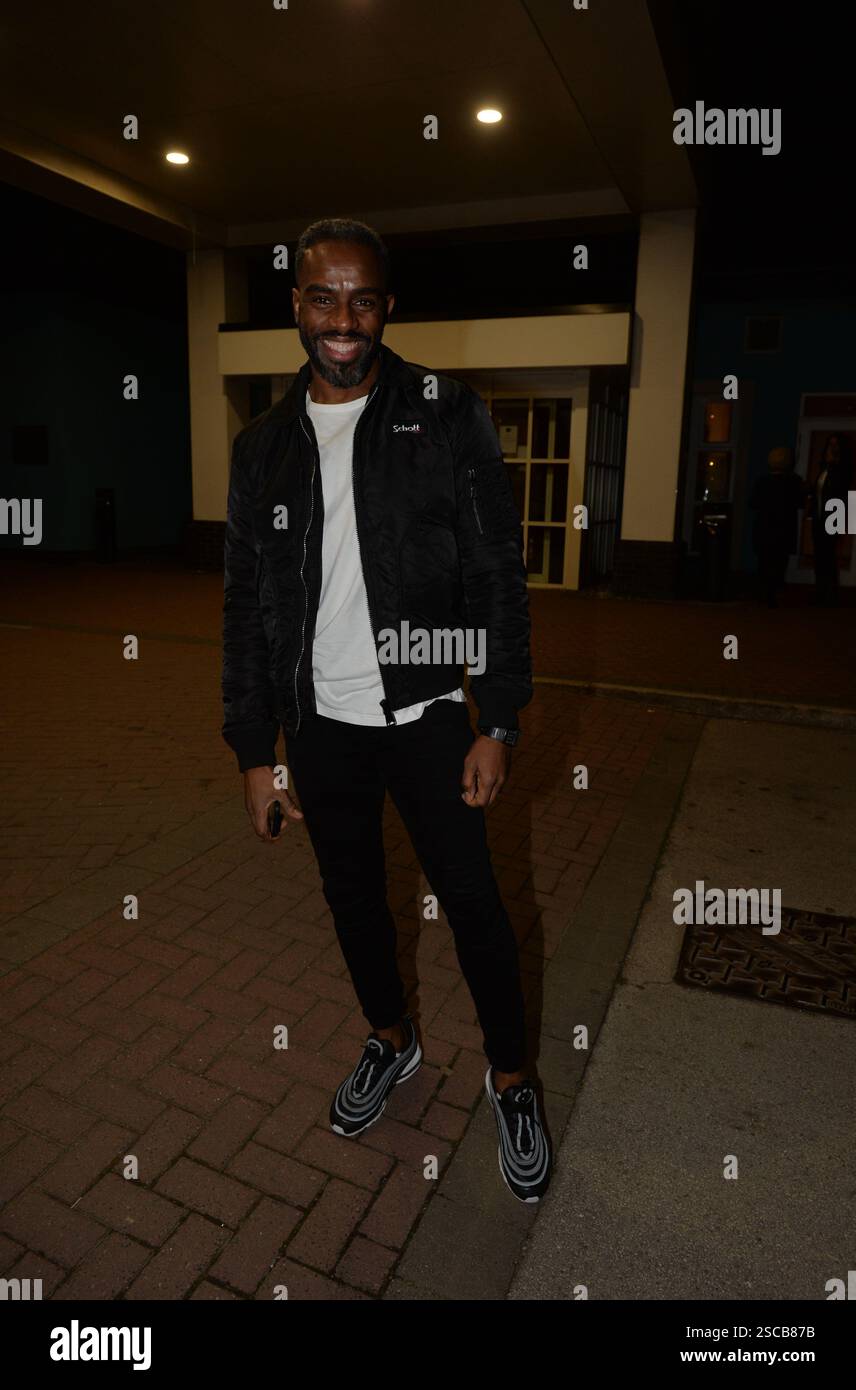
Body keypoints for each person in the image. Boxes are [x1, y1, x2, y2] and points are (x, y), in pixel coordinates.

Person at [221, 218, 552, 1203]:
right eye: (323, 296)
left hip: (428, 717)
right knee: (354, 900)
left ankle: (513, 1078)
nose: (343, 318)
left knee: (479, 909)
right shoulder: (264, 448)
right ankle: (392, 1039)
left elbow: (497, 571)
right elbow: (244, 602)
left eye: (363, 298)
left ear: (387, 306)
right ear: (295, 304)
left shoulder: (446, 414)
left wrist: (495, 718)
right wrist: (252, 747)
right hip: (319, 727)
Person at [748, 445, 805, 606]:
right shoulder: (794, 482)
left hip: (765, 528)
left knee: (764, 563)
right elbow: (800, 502)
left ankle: (764, 594)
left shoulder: (762, 481)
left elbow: (753, 503)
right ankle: (773, 594)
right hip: (784, 529)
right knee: (779, 564)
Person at [807, 433, 852, 607]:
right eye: (830, 444)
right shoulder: (824, 469)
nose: (832, 448)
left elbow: (839, 491)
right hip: (820, 517)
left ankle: (829, 595)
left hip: (832, 517)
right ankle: (821, 593)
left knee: (828, 556)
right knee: (820, 556)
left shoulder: (841, 469)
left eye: (836, 445)